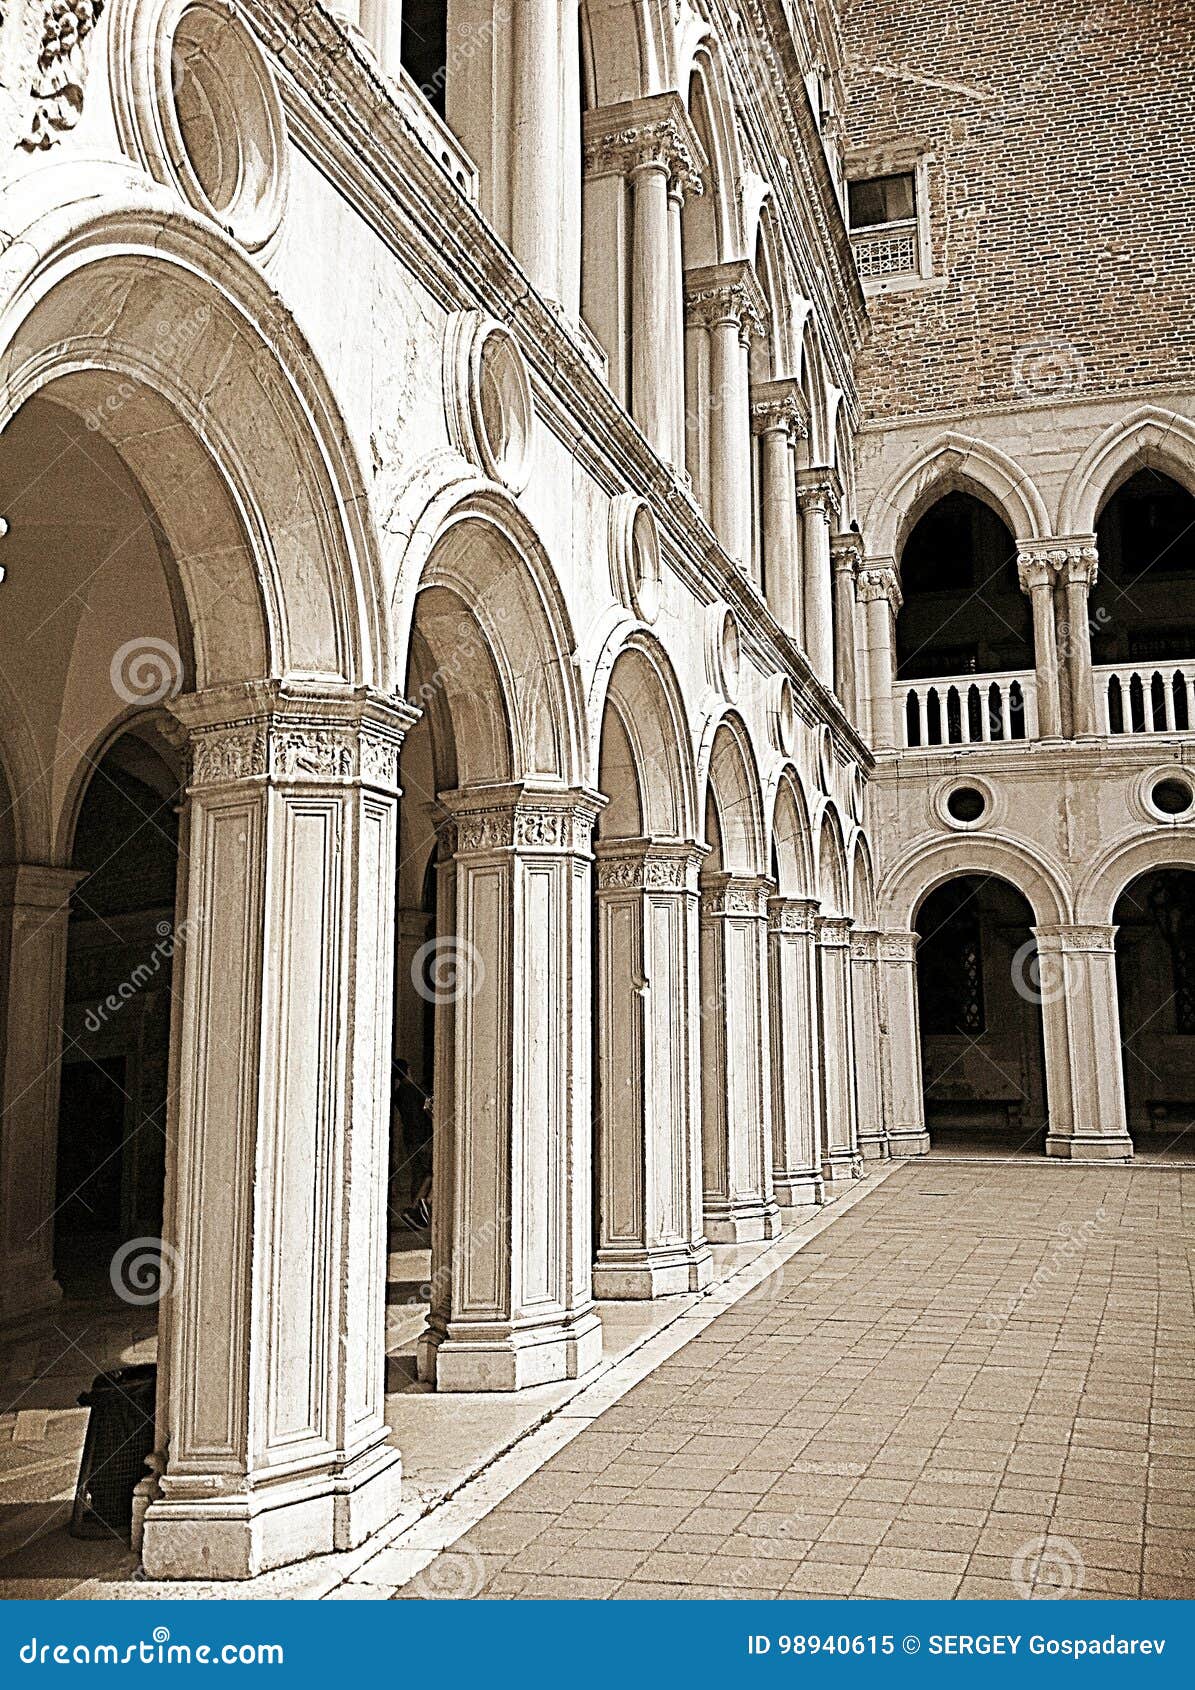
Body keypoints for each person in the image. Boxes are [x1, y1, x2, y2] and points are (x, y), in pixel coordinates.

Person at [393, 1057, 433, 1233]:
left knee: (418, 1174)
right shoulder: (416, 1090)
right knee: (430, 1174)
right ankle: (417, 1208)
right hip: (422, 1138)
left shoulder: (399, 1093)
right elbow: (427, 1111)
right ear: (408, 1069)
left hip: (409, 1138)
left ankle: (415, 1210)